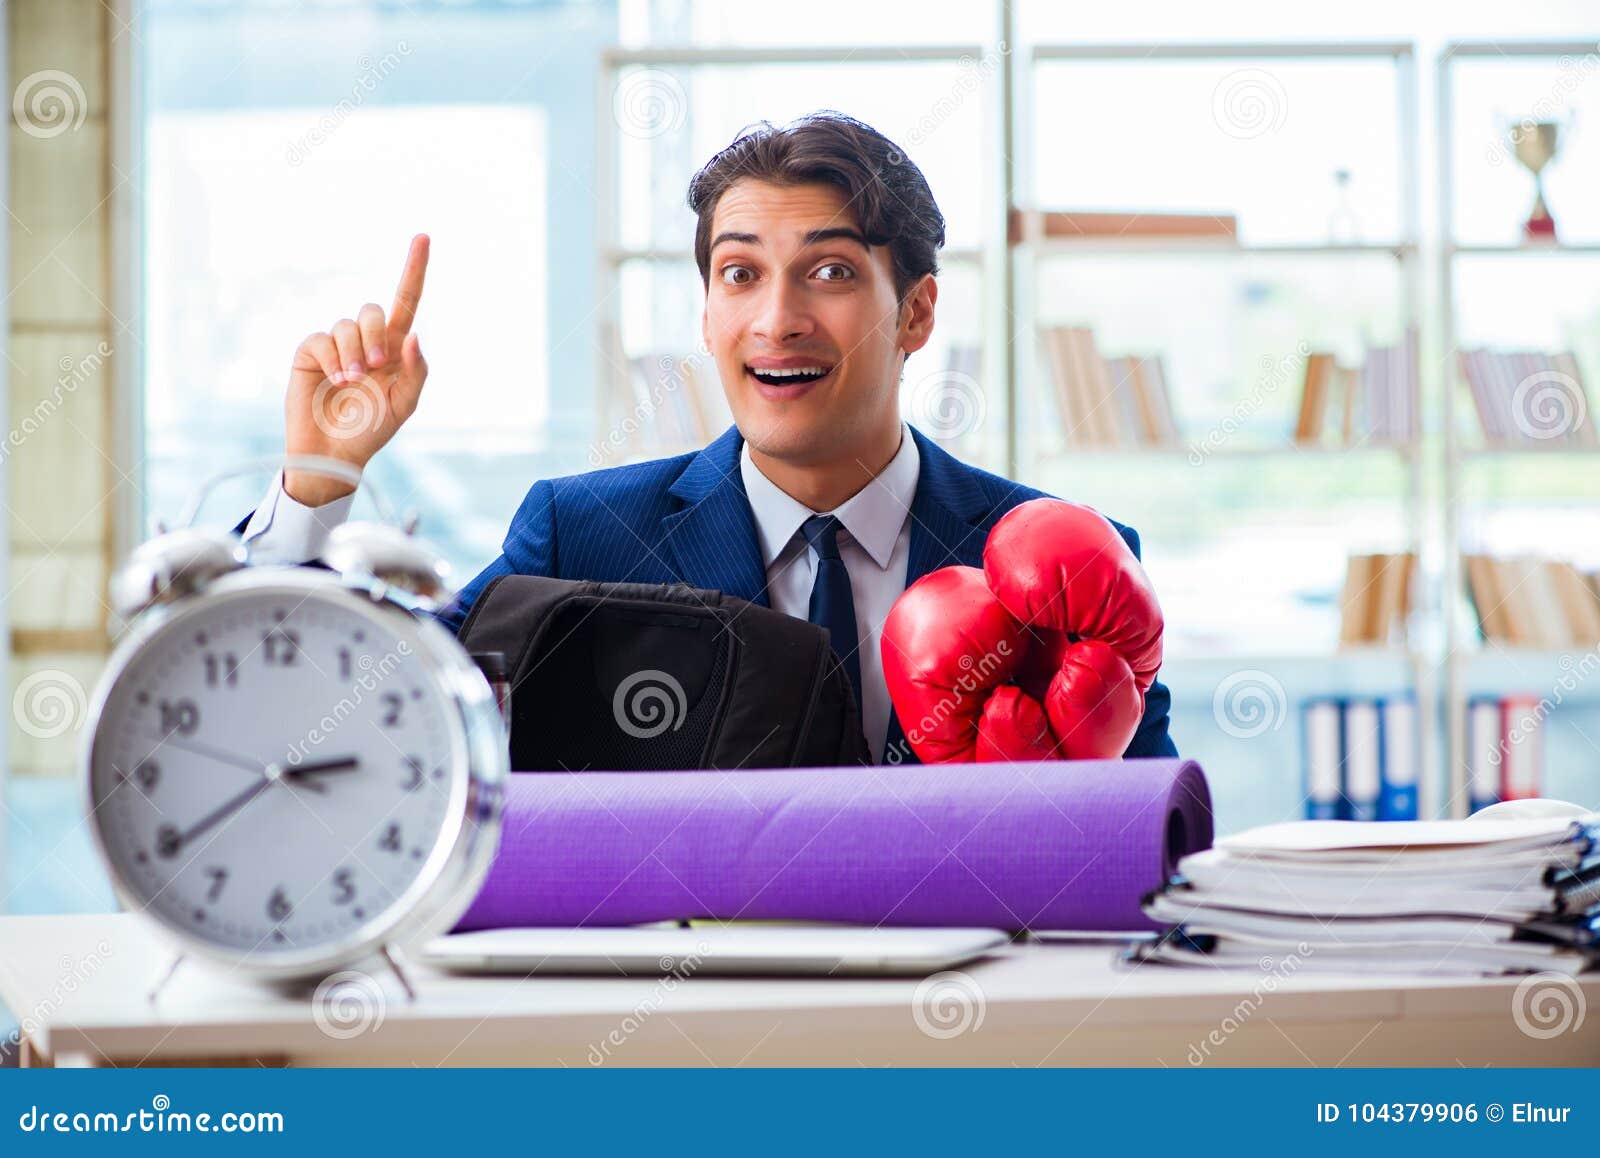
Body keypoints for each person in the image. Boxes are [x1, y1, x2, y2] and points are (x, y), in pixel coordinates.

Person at [243, 111, 1176, 765]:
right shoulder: (582, 537)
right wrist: (320, 485)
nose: (778, 319)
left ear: (917, 312)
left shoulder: (1070, 566)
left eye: (830, 271)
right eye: (740, 273)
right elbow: (357, 726)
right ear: (704, 311)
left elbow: (1148, 858)